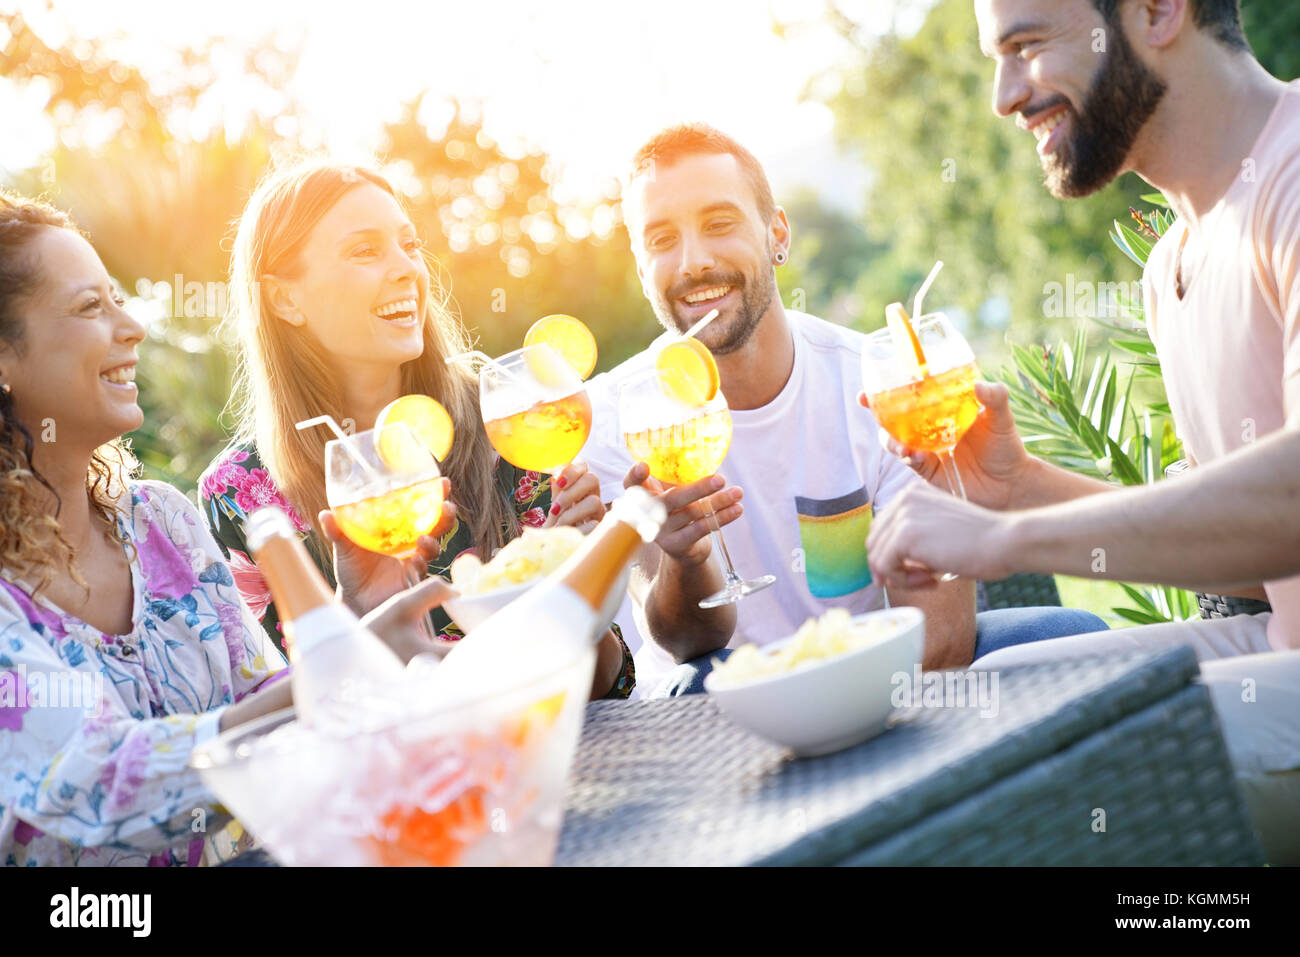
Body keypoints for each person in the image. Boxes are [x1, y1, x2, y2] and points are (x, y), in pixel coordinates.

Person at [867, 0, 1299, 862]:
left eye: (1026, 46)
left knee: (996, 770)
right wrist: (1018, 492)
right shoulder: (1170, 261)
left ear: (1155, 10)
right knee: (973, 702)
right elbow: (1258, 565)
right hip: (1276, 654)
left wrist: (1009, 539)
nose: (1002, 96)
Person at [0, 191, 452, 866]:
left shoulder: (161, 522)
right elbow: (90, 785)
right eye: (91, 306)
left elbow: (271, 711)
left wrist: (354, 622)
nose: (132, 326)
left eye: (118, 298)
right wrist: (331, 677)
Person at [580, 124, 1108, 696]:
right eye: (661, 240)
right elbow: (682, 645)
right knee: (701, 677)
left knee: (1070, 633)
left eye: (719, 224)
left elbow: (941, 637)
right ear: (640, 270)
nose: (692, 263)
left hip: (869, 663)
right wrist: (687, 560)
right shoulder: (618, 417)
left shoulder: (882, 385)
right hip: (718, 696)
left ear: (776, 233)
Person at [198, 161, 633, 700]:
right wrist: (358, 616)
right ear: (285, 299)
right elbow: (303, 715)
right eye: (365, 251)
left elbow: (606, 685)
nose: (407, 268)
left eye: (410, 245)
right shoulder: (241, 496)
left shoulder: (507, 416)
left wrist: (581, 584)